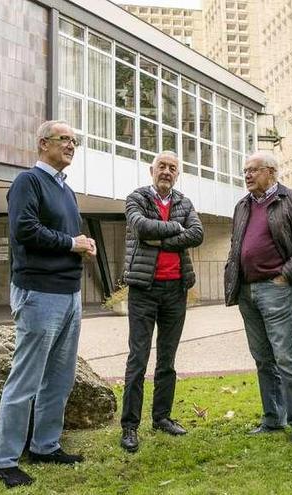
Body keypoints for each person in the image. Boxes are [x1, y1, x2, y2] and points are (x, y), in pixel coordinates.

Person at [0, 120, 97, 489]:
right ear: (42, 144)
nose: (71, 145)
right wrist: (72, 243)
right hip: (38, 294)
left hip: (69, 294)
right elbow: (25, 230)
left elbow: (65, 236)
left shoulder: (65, 190)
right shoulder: (27, 182)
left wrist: (81, 244)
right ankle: (2, 461)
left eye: (74, 140)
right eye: (64, 139)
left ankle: (45, 446)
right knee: (26, 379)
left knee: (60, 379)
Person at [224, 151, 292, 444]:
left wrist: (285, 275)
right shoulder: (242, 205)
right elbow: (237, 245)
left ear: (271, 172)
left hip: (275, 288)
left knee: (286, 358)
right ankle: (273, 419)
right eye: (245, 171)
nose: (248, 176)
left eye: (253, 170)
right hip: (247, 291)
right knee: (263, 359)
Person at [119, 151, 204, 453]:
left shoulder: (184, 202)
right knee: (137, 359)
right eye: (162, 167)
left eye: (173, 168)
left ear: (177, 174)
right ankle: (130, 426)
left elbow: (197, 233)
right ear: (151, 170)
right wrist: (176, 229)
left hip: (175, 291)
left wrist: (163, 238)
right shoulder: (136, 197)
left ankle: (162, 417)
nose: (167, 171)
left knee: (167, 360)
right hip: (144, 289)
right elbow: (140, 227)